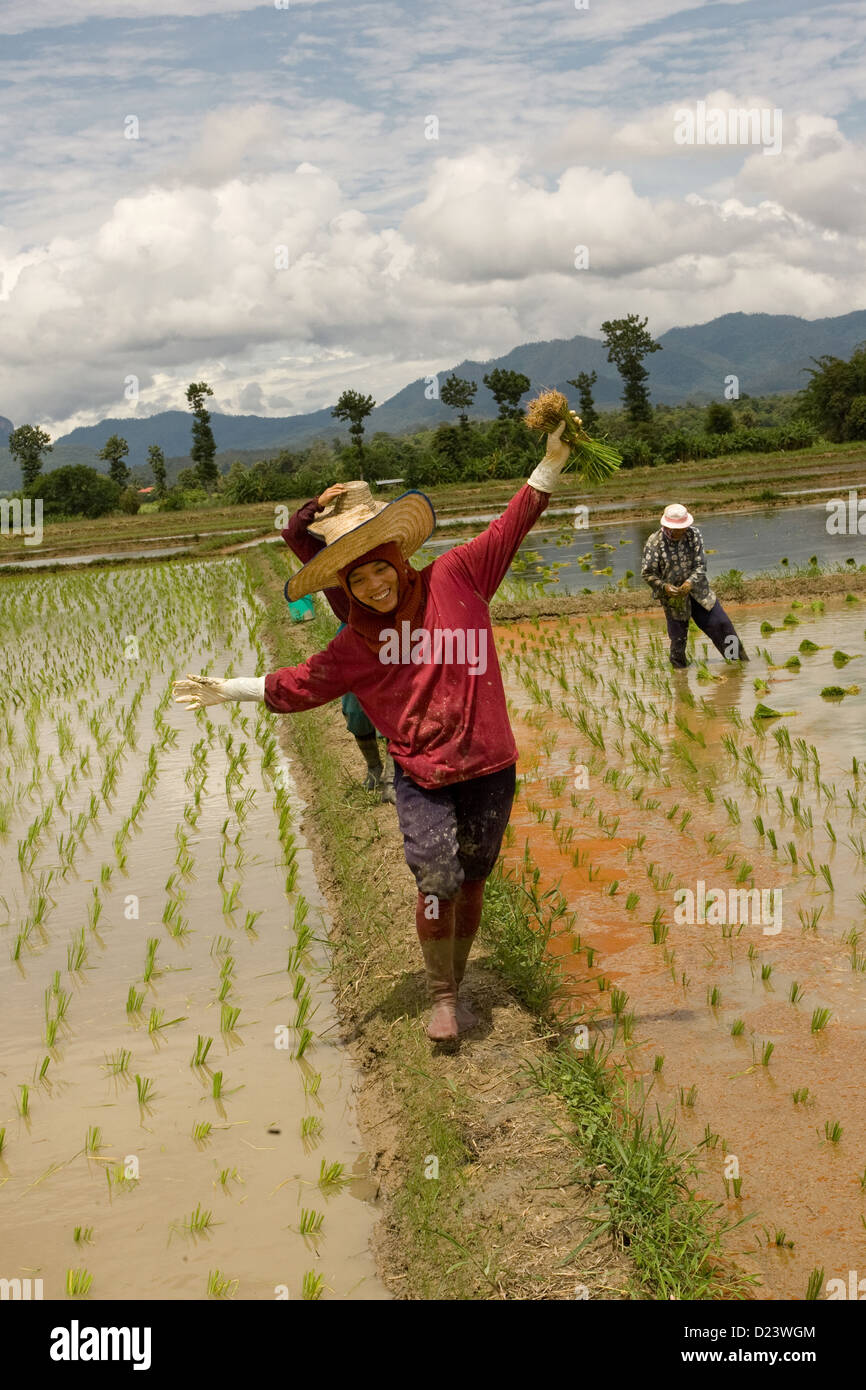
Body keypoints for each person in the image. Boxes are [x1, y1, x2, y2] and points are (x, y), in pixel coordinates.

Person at [173, 415, 577, 1042]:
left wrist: (550, 463)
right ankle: (442, 996)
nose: (373, 584)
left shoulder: (458, 578)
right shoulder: (357, 641)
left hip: (491, 765)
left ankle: (458, 984)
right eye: (356, 579)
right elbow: (297, 684)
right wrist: (226, 689)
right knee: (437, 875)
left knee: (472, 880)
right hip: (422, 773)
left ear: (397, 558)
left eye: (378, 569)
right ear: (346, 588)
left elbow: (509, 527)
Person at [281, 482, 395, 804]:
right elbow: (291, 533)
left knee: (393, 700)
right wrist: (316, 503)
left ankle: (392, 774)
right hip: (353, 632)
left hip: (392, 630)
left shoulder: (386, 546)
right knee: (354, 706)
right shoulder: (324, 555)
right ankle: (373, 768)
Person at [641, 503, 748, 669]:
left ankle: (740, 665)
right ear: (667, 526)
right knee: (678, 639)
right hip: (674, 599)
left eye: (683, 527)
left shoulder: (694, 535)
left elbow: (700, 565)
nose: (681, 531)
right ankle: (679, 675)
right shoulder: (655, 543)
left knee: (723, 625)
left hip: (699, 592)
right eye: (677, 528)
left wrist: (689, 582)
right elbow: (647, 573)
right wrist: (665, 587)